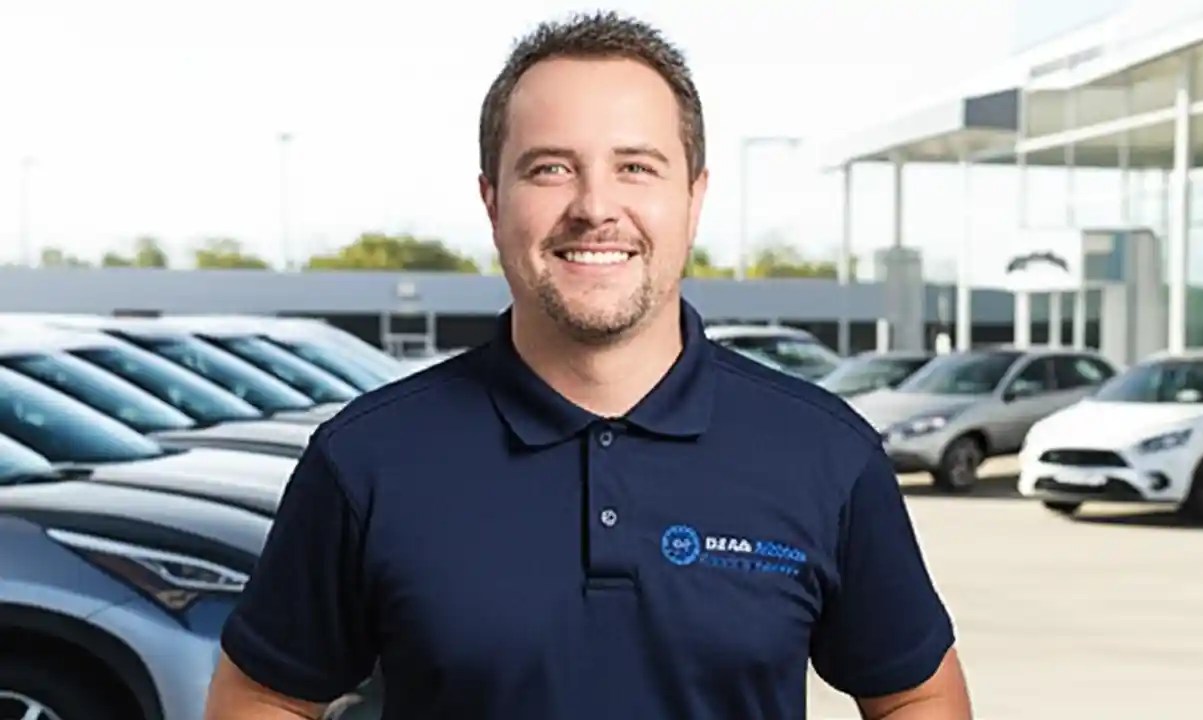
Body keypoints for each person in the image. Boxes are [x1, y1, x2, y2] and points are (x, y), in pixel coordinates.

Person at [204, 10, 972, 720]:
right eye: (549, 168)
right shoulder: (367, 460)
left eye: (636, 167)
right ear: (492, 200)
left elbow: (917, 695)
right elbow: (263, 698)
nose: (595, 206)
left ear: (694, 197)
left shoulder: (824, 454)